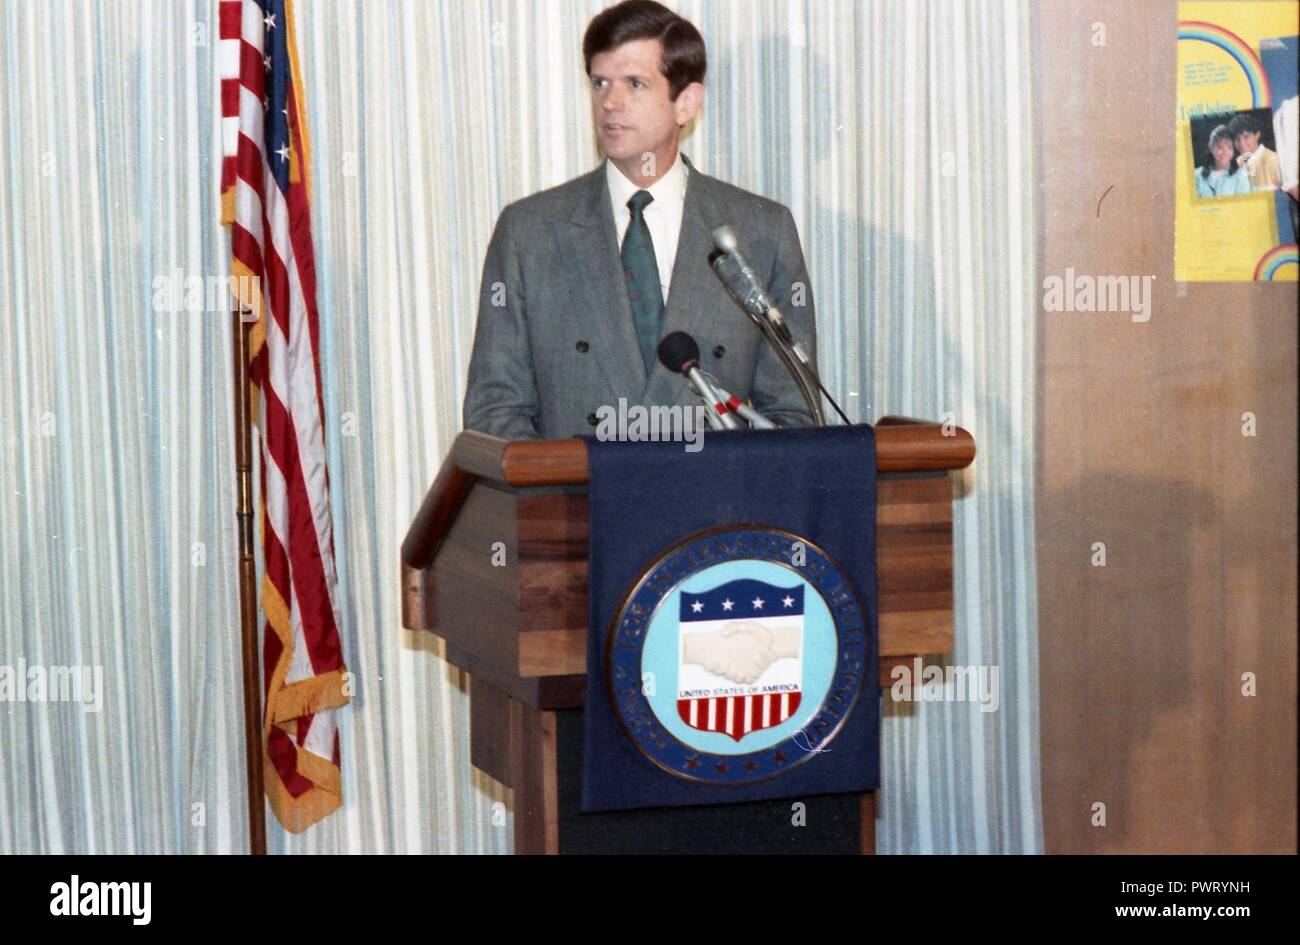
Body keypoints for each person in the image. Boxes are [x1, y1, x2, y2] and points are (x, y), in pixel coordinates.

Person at [462, 0, 818, 440]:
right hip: (579, 504)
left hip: (719, 504)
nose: (610, 103)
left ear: (685, 103)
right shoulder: (529, 233)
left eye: (635, 84)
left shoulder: (761, 231)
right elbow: (496, 413)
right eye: (599, 83)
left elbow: (793, 416)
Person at [1227, 113, 1281, 191]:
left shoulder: (1272, 160)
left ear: (1257, 135)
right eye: (1237, 138)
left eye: (1246, 137)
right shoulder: (1239, 161)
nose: (1241, 143)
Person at [1195, 125, 1251, 198]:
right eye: (1219, 147)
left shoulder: (1240, 176)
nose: (1225, 152)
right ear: (1210, 147)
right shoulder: (1197, 175)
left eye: (1229, 148)